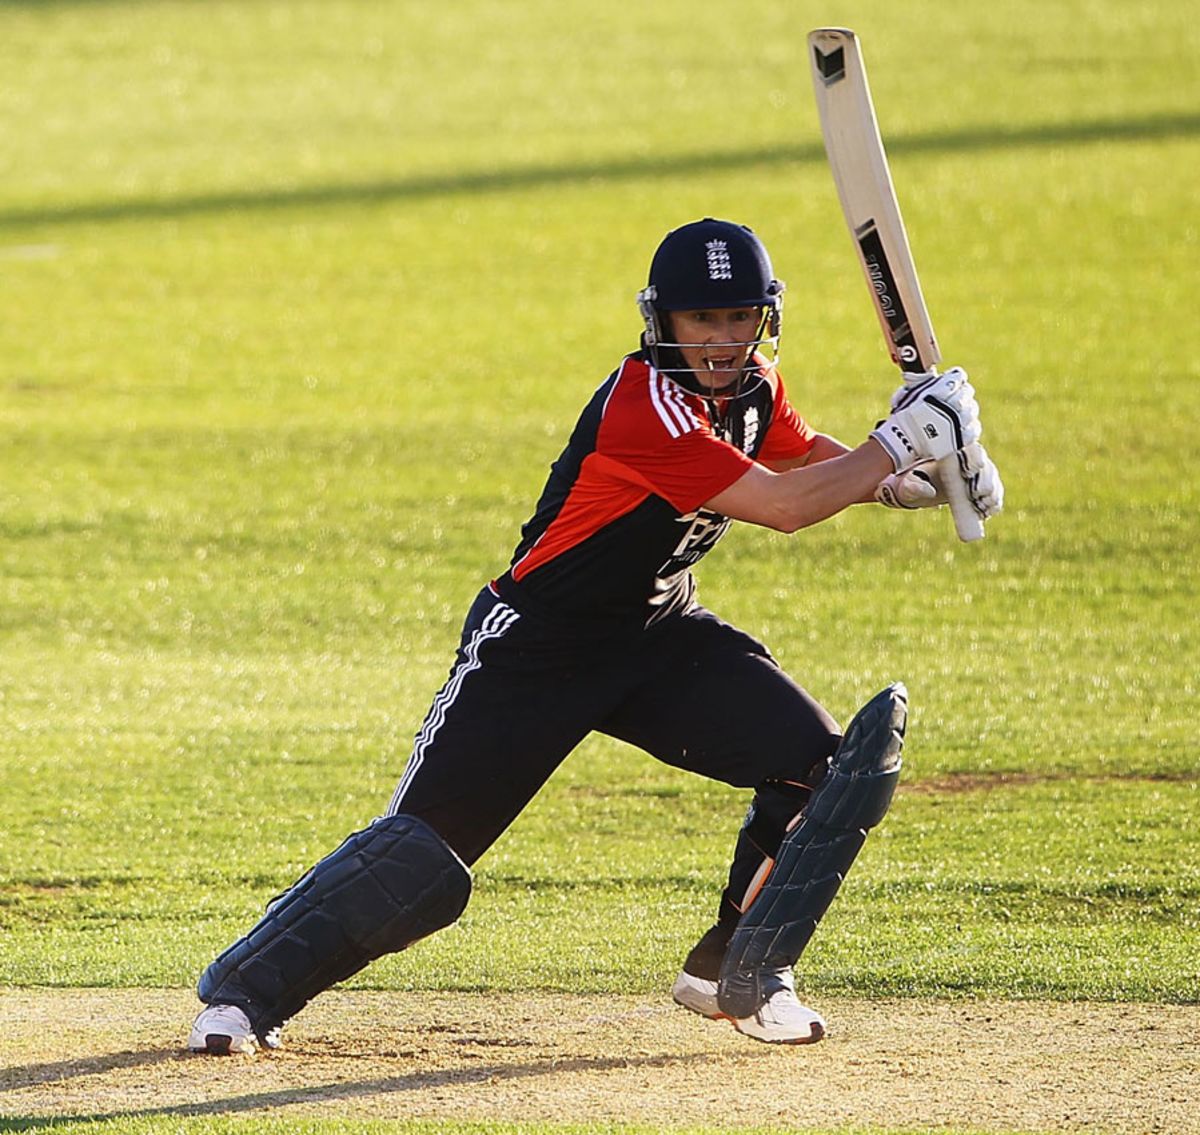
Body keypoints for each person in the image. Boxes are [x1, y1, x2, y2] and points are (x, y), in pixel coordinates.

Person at [188, 218, 1002, 1054]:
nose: (722, 340)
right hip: (536, 648)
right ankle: (242, 996)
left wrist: (909, 481)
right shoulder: (644, 409)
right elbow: (786, 509)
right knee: (418, 862)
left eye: (738, 319)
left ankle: (738, 969)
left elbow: (797, 459)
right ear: (661, 322)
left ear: (765, 318)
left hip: (657, 632)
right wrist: (900, 441)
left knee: (819, 765)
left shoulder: (754, 384)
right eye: (700, 321)